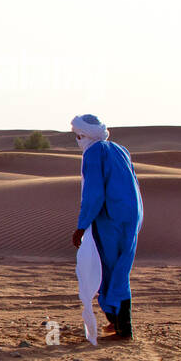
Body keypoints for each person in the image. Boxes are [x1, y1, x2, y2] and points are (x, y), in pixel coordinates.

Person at [70, 113, 143, 339]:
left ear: (84, 135)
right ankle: (120, 324)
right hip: (132, 216)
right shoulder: (120, 149)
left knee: (106, 270)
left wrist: (81, 226)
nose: (77, 140)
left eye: (78, 136)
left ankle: (121, 326)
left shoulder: (93, 153)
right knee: (121, 269)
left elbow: (94, 193)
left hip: (110, 218)